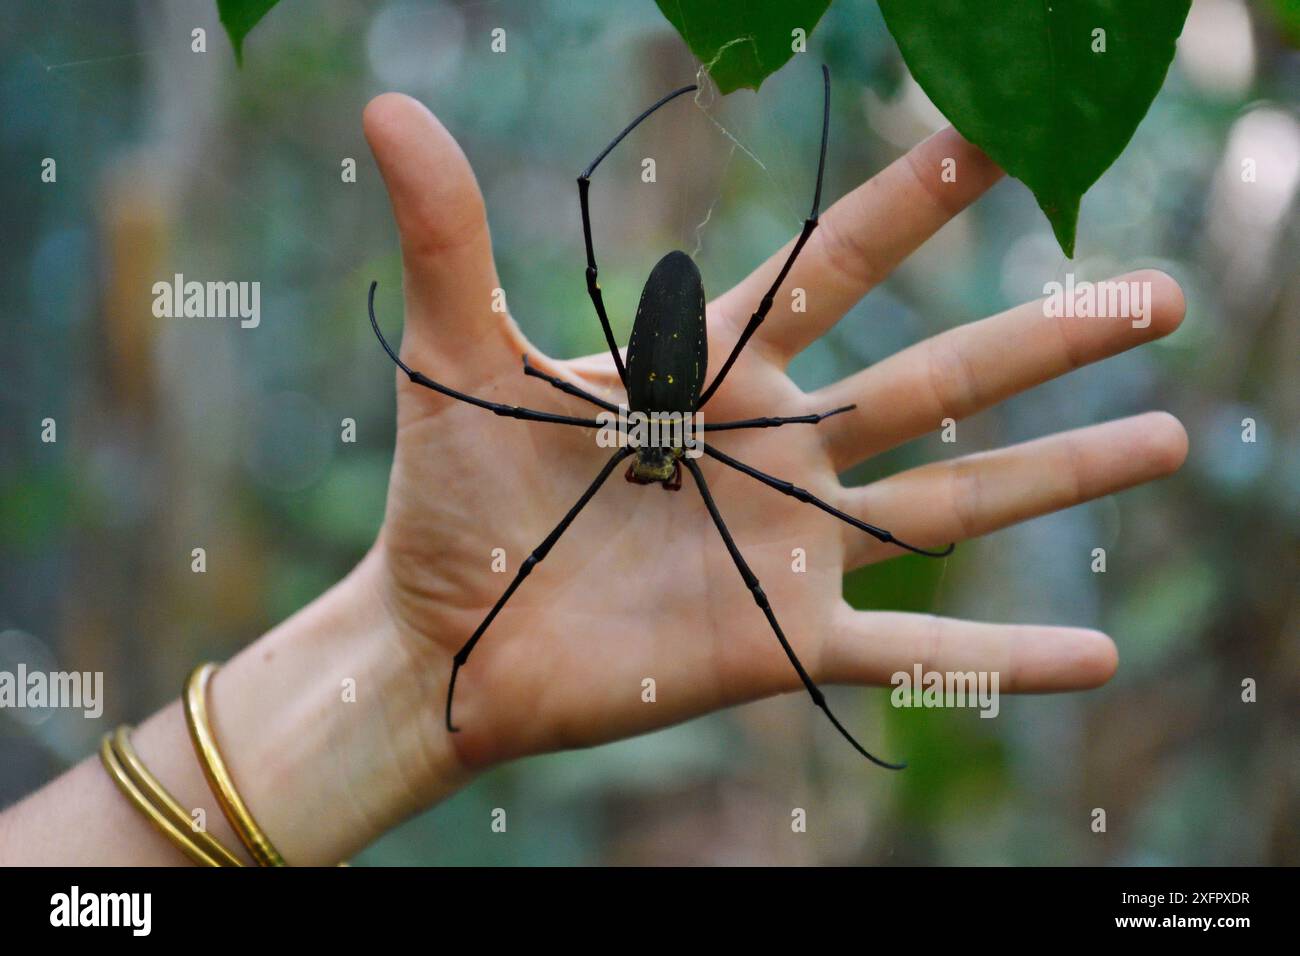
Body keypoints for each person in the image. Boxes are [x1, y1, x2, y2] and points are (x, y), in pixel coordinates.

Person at [0, 92, 1187, 866]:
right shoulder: (676, 445)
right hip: (664, 391)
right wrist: (417, 649)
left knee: (809, 506)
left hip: (657, 389)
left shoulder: (656, 437)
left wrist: (417, 663)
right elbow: (516, 393)